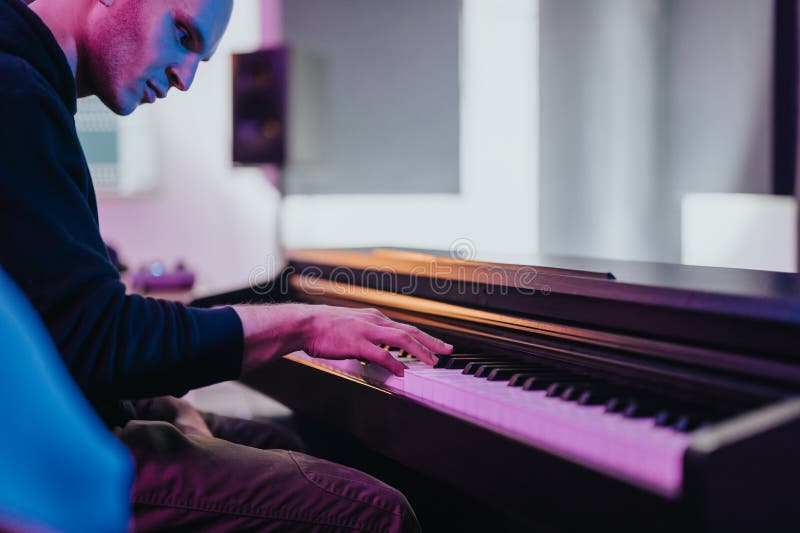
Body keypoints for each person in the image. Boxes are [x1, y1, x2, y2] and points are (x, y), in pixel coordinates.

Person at [0, 0, 453, 530]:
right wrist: (304, 323)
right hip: (33, 456)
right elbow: (102, 340)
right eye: (183, 35)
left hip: (58, 414)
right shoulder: (14, 93)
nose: (184, 77)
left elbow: (56, 331)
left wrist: (163, 403)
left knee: (277, 441)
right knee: (374, 513)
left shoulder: (31, 84)